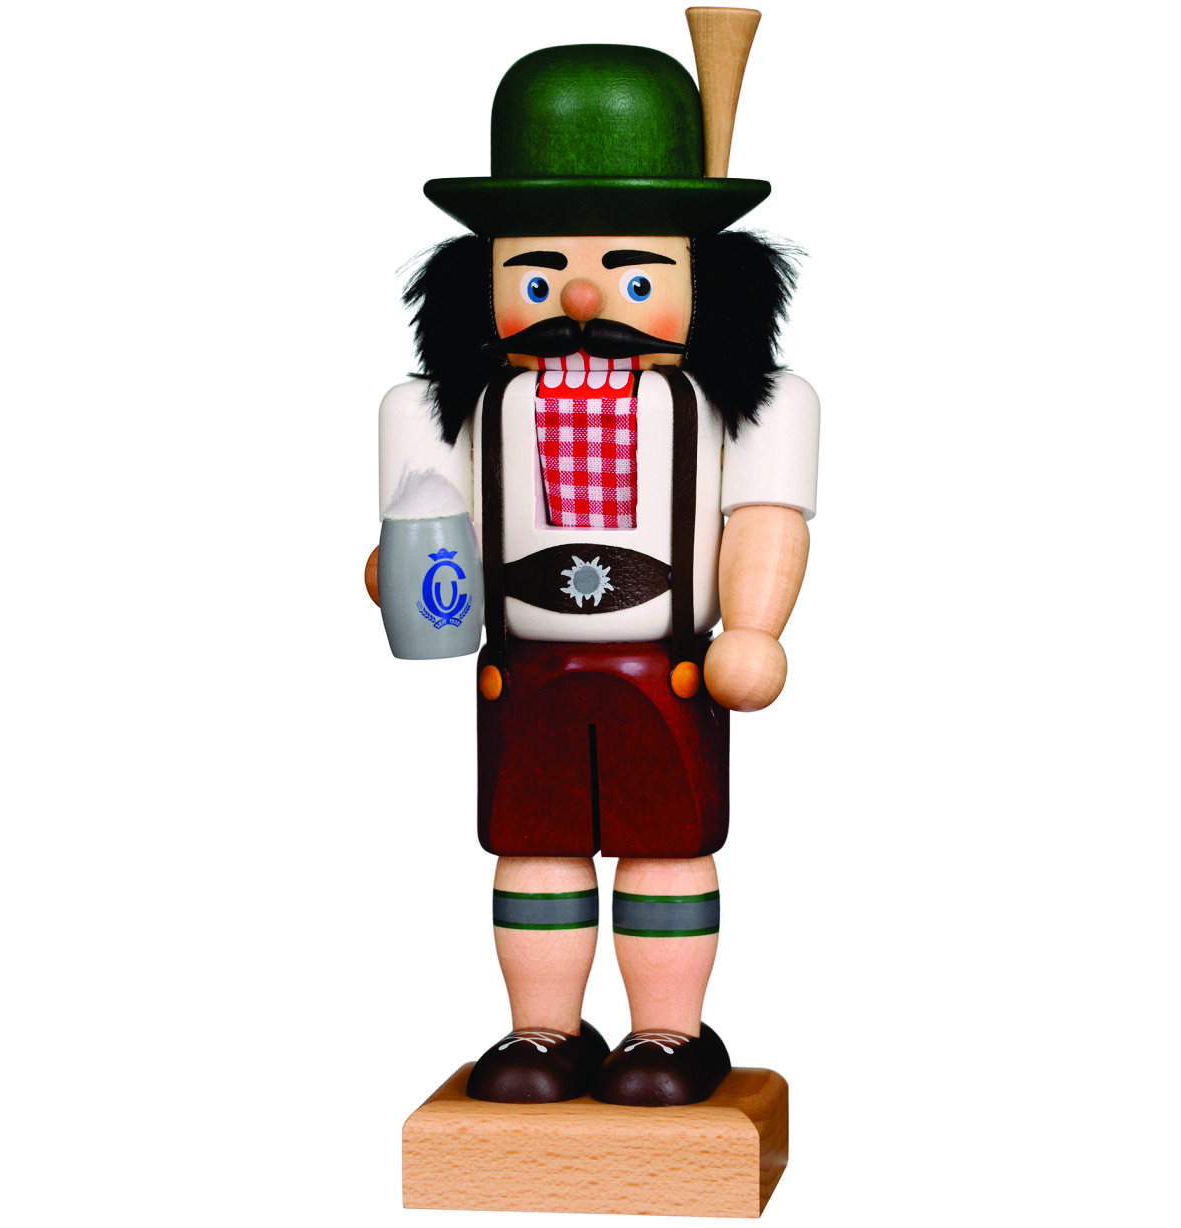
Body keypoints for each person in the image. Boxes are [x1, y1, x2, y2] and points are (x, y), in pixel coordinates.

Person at [370, 43, 819, 1107]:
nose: (578, 294)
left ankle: (666, 1032)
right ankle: (543, 1029)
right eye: (536, 273)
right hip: (522, 669)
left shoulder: (752, 405)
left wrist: (754, 626)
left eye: (633, 273)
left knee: (668, 846)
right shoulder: (447, 410)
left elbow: (763, 519)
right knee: (535, 846)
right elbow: (420, 534)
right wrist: (401, 571)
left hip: (668, 671)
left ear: (706, 280)